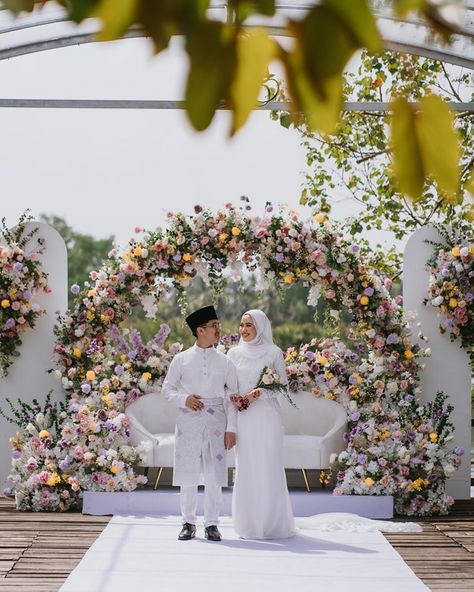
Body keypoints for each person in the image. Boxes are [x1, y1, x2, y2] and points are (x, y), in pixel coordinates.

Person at [161, 305, 237, 542]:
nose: (219, 329)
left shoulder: (225, 361)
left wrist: (231, 428)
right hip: (189, 420)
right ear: (200, 330)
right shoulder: (181, 359)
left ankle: (212, 523)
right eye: (214, 326)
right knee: (188, 472)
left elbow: (233, 396)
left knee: (215, 474)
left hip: (216, 419)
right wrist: (185, 399)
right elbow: (166, 390)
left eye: (218, 325)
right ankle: (188, 522)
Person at [227, 309, 295, 539]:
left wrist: (259, 393)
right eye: (241, 325)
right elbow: (227, 385)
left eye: (249, 325)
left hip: (267, 418)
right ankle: (248, 525)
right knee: (246, 468)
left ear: (261, 328)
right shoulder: (233, 353)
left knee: (268, 465)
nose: (244, 330)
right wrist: (234, 397)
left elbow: (283, 386)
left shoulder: (273, 352)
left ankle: (272, 524)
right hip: (244, 418)